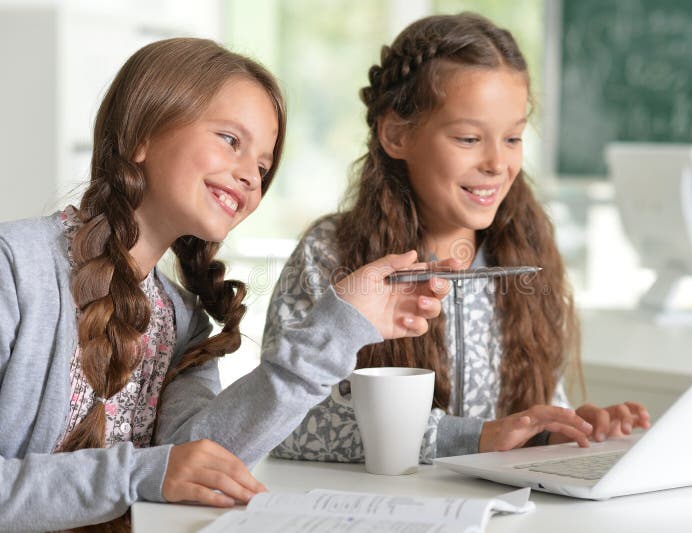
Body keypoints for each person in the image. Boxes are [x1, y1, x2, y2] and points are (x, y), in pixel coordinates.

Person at [0, 38, 449, 532]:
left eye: (262, 166)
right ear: (141, 135)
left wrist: (339, 325)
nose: (252, 178)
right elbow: (155, 472)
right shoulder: (15, 268)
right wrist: (136, 475)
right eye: (231, 140)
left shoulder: (181, 320)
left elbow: (201, 462)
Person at [267, 13, 650, 465]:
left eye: (513, 138)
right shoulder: (328, 254)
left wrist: (563, 429)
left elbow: (528, 415)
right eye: (469, 138)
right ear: (396, 135)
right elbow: (286, 423)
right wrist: (470, 437)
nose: (497, 163)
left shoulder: (530, 252)